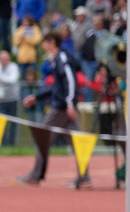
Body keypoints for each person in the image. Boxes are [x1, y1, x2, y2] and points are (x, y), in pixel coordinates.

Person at [16, 31, 88, 188]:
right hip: (64, 106)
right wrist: (37, 97)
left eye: (44, 42)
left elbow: (71, 80)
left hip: (61, 108)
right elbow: (56, 86)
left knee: (42, 138)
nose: (43, 45)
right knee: (77, 143)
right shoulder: (55, 59)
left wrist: (69, 103)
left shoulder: (62, 58)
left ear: (51, 42)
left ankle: (35, 176)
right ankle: (85, 178)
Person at [0, 50, 19, 147]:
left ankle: (11, 145)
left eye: (5, 59)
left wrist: (2, 78)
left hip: (13, 100)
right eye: (2, 59)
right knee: (2, 123)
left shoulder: (13, 67)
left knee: (13, 123)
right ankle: (2, 144)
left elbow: (12, 80)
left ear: (9, 59)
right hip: (1, 101)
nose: (3, 61)